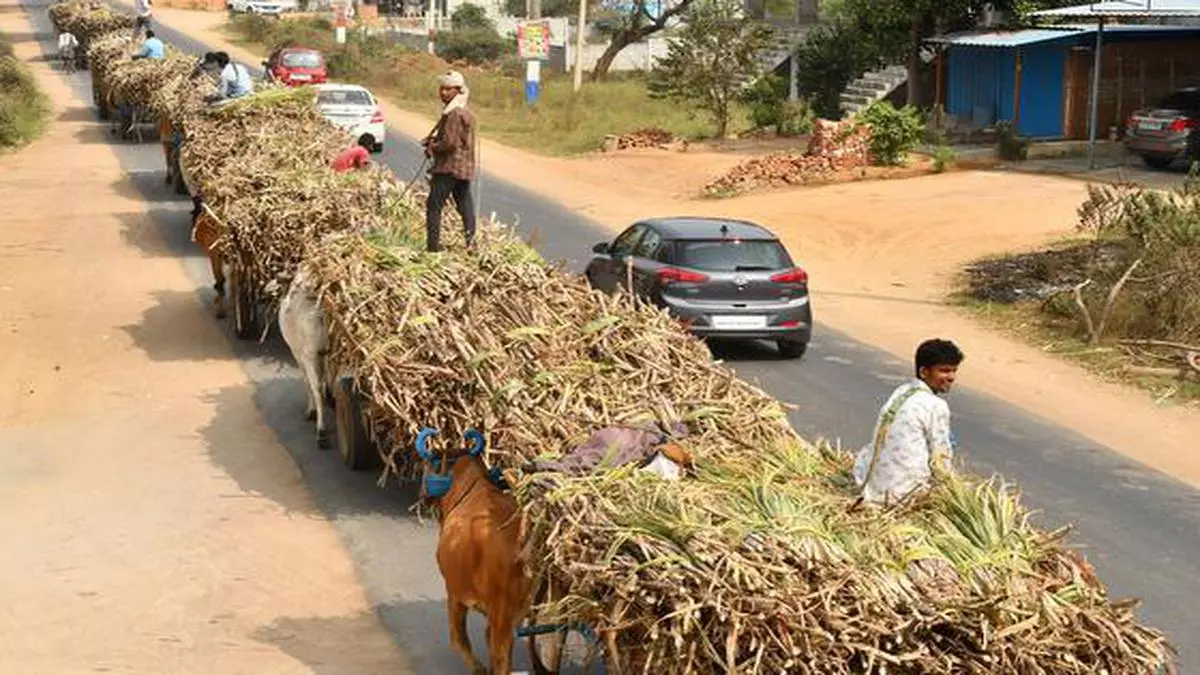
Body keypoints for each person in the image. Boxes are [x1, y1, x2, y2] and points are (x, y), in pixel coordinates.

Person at [852, 339, 965, 507]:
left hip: (869, 487)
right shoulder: (936, 405)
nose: (951, 377)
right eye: (944, 371)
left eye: (954, 371)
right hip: (904, 494)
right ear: (924, 372)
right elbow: (941, 458)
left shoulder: (901, 391)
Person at [421, 70, 477, 252]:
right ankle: (471, 244)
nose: (443, 92)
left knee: (434, 206)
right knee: (464, 205)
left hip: (449, 167)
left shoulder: (454, 114)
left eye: (448, 89)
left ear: (458, 90)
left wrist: (432, 147)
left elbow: (450, 143)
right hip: (464, 168)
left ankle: (432, 248)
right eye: (442, 89)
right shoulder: (465, 111)